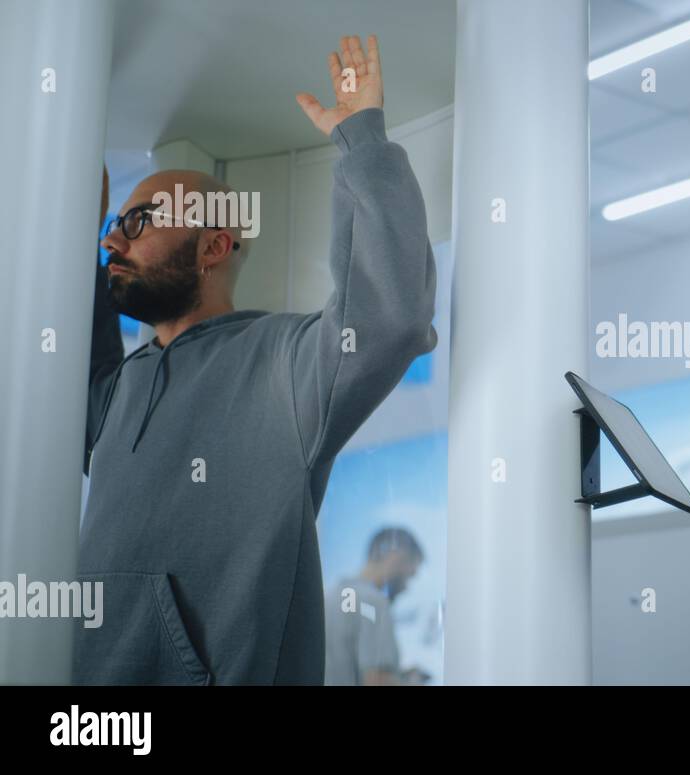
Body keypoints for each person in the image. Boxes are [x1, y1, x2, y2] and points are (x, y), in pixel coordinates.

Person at [76, 35, 438, 685]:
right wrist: (76, 223)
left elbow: (391, 318)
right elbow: (74, 341)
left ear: (214, 244)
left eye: (139, 221)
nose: (113, 239)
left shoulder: (281, 364)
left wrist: (362, 141)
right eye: (113, 226)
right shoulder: (116, 390)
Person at [325, 527, 429, 686]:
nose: (406, 588)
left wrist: (399, 676)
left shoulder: (330, 596)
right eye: (409, 575)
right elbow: (377, 681)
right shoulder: (373, 602)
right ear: (397, 558)